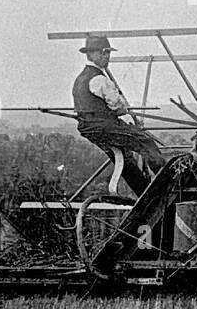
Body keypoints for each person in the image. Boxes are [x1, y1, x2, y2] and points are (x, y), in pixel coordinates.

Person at [72, 35, 167, 196]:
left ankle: (145, 194)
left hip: (89, 128)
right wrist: (121, 108)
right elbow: (118, 106)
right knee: (145, 142)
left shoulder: (80, 79)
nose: (106, 56)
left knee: (124, 160)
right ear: (90, 54)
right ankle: (166, 183)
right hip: (105, 126)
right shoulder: (98, 79)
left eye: (108, 52)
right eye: (102, 52)